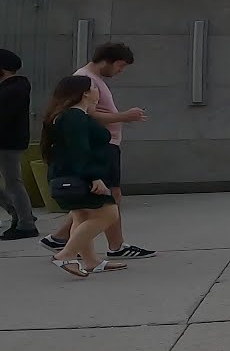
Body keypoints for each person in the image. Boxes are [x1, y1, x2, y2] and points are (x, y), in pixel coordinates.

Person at [41, 43, 152, 259]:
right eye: (120, 66)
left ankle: (64, 242)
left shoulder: (91, 82)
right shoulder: (86, 81)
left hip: (102, 147)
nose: (120, 72)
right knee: (105, 202)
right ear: (107, 60)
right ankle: (109, 247)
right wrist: (124, 116)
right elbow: (85, 118)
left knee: (88, 207)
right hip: (100, 149)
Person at [42, 76, 128, 276]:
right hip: (80, 176)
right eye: (94, 88)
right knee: (108, 213)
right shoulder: (74, 116)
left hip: (70, 175)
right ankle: (66, 255)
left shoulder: (67, 116)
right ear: (85, 93)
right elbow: (80, 150)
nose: (97, 92)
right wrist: (94, 176)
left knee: (82, 216)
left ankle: (90, 260)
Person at [0, 49, 38, 241]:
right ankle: (22, 214)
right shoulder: (11, 88)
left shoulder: (13, 90)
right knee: (12, 183)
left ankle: (26, 224)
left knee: (13, 183)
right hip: (9, 142)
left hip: (8, 143)